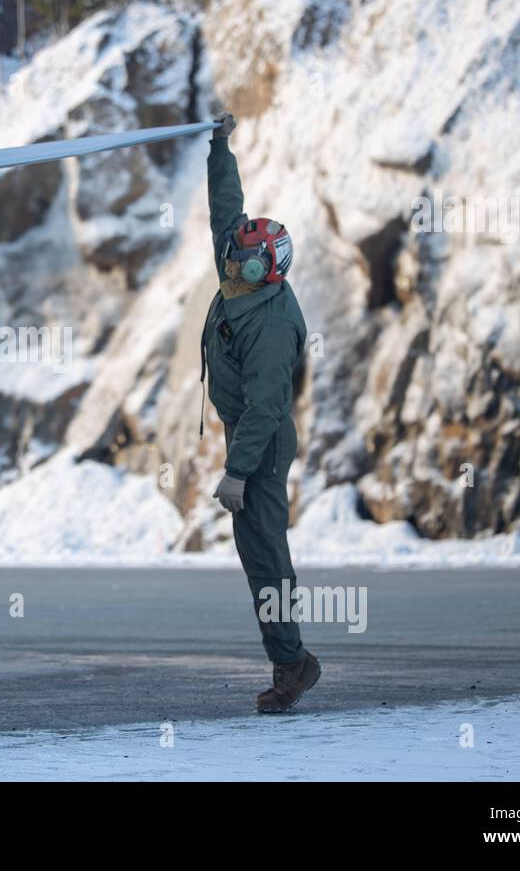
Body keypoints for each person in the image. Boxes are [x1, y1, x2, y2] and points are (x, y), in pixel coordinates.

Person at [201, 112, 318, 713]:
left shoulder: (272, 320)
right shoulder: (241, 274)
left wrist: (239, 472)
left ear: (265, 268)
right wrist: (220, 147)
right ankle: (289, 656)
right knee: (258, 556)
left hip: (262, 445)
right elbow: (228, 209)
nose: (230, 266)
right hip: (245, 433)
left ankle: (292, 663)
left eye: (242, 261)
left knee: (267, 556)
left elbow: (269, 406)